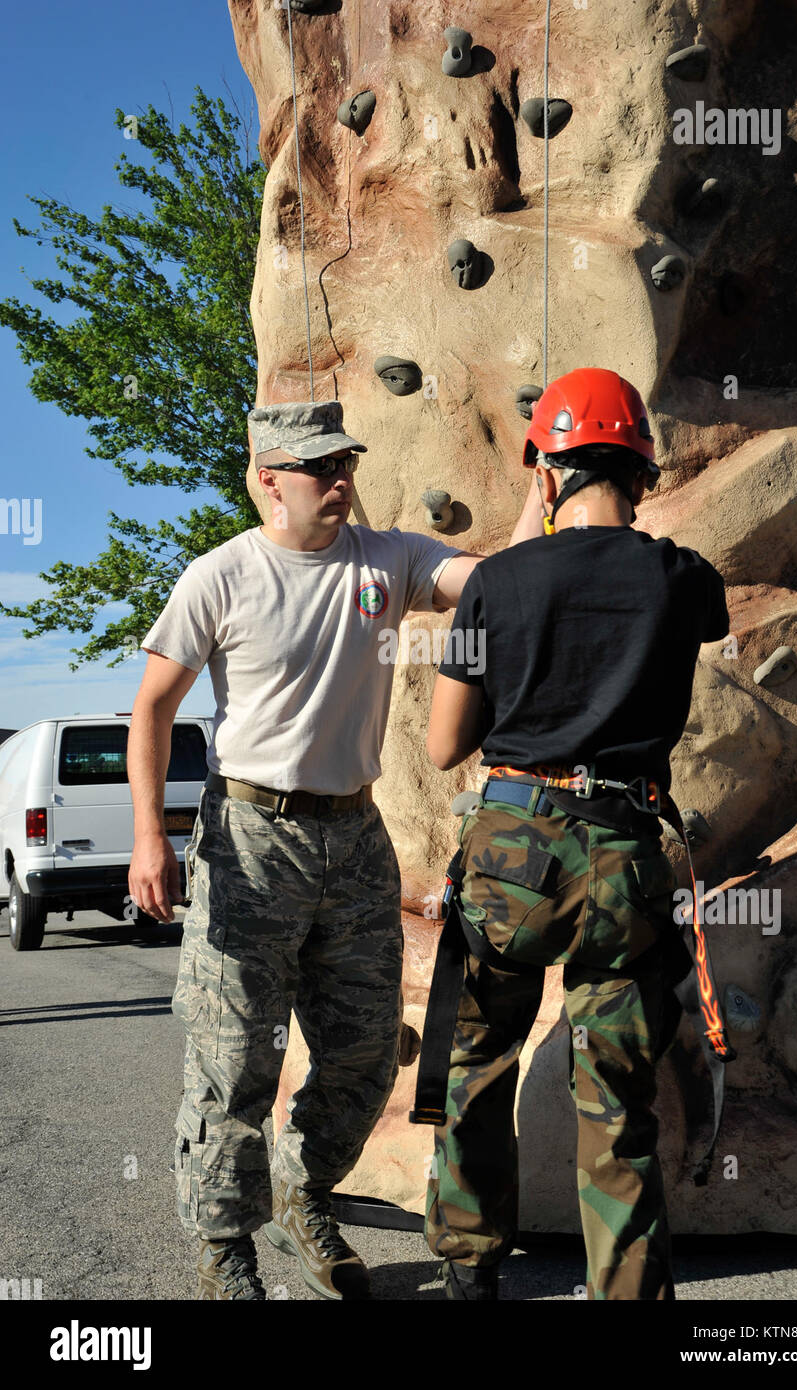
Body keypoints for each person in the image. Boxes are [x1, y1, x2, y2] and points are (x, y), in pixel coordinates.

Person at [127, 398, 541, 1301]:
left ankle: (302, 1189)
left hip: (353, 835)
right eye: (319, 466)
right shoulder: (220, 575)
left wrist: (541, 477)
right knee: (233, 1060)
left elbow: (501, 582)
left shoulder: (388, 558)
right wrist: (148, 838)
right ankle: (224, 1249)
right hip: (248, 837)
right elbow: (151, 708)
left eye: (345, 462)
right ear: (269, 479)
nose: (340, 479)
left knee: (363, 1051)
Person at [420, 367, 730, 1301]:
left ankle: (469, 1269)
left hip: (511, 851)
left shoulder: (494, 584)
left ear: (544, 474)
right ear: (643, 473)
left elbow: (444, 746)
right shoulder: (685, 579)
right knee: (616, 1097)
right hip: (622, 857)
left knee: (477, 1063)